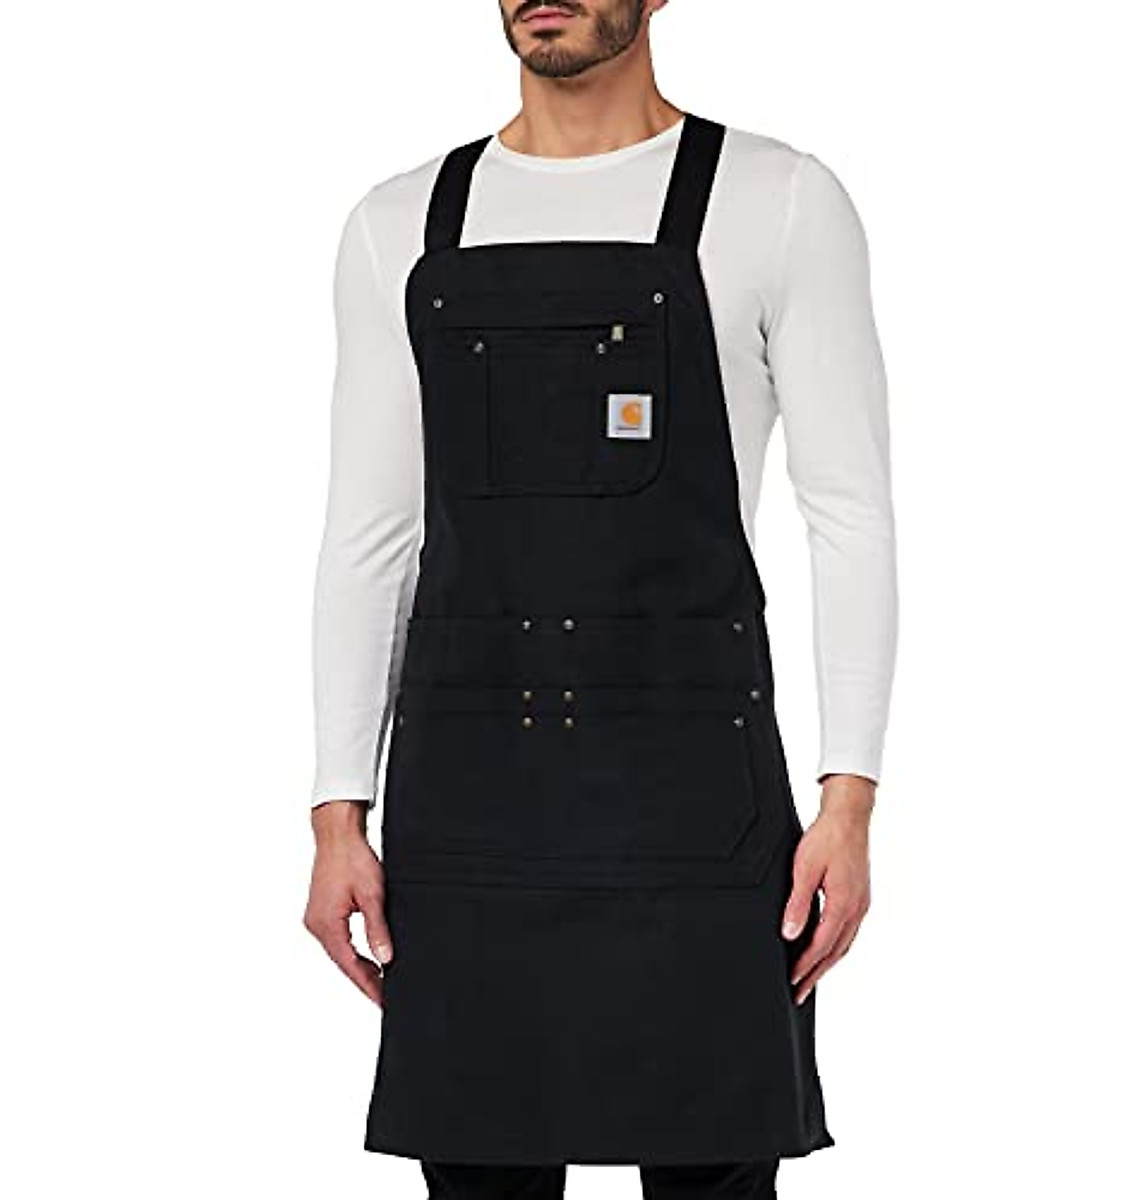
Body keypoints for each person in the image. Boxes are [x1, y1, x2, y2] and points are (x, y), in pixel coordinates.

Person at [304, 2, 898, 1196]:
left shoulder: (777, 200)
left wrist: (849, 802)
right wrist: (335, 815)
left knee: (714, 1172)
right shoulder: (397, 224)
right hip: (469, 807)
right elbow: (371, 538)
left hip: (701, 809)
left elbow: (849, 516)